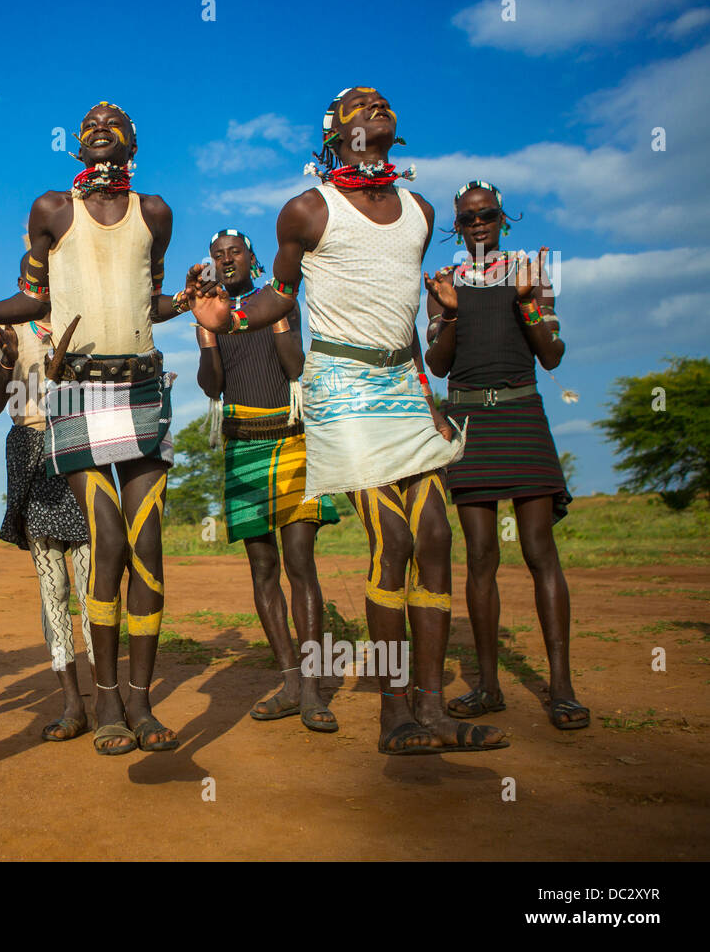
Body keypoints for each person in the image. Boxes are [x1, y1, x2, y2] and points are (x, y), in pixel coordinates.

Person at [191, 87, 507, 755]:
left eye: (384, 102)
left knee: (435, 537)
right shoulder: (307, 211)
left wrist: (426, 393)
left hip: (400, 382)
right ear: (335, 134)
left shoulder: (419, 212)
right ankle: (395, 712)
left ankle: (432, 705)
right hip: (340, 383)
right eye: (361, 106)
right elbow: (281, 293)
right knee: (392, 535)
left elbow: (400, 318)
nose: (377, 108)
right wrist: (231, 318)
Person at [0, 101, 201, 755]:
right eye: (89, 122)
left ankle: (140, 703)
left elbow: (150, 300)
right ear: (76, 146)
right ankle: (105, 701)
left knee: (149, 545)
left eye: (116, 119)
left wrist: (191, 302)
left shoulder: (156, 212)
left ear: (134, 140)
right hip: (77, 391)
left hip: (141, 387)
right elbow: (36, 299)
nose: (102, 123)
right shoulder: (52, 210)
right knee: (106, 541)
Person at [424, 180, 587, 730]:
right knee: (481, 557)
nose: (477, 225)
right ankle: (489, 686)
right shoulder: (444, 281)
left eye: (486, 215)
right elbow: (440, 365)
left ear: (502, 219)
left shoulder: (532, 272)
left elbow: (553, 355)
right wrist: (448, 314)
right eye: (467, 219)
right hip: (469, 425)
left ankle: (562, 688)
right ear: (456, 224)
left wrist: (526, 305)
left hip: (521, 416)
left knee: (540, 551)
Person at [194, 229, 340, 731]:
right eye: (217, 255)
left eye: (234, 252)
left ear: (252, 258)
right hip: (242, 444)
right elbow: (211, 385)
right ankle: (291, 680)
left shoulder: (276, 299)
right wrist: (206, 332)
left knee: (300, 562)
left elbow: (295, 367)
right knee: (262, 568)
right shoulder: (209, 310)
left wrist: (279, 321)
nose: (225, 259)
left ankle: (315, 688)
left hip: (291, 440)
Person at [0, 255, 92, 741]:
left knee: (93, 585)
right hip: (29, 445)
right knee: (54, 587)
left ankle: (107, 695)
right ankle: (72, 702)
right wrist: (8, 359)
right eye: (35, 277)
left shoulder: (85, 319)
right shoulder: (7, 328)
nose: (43, 283)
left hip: (80, 446)